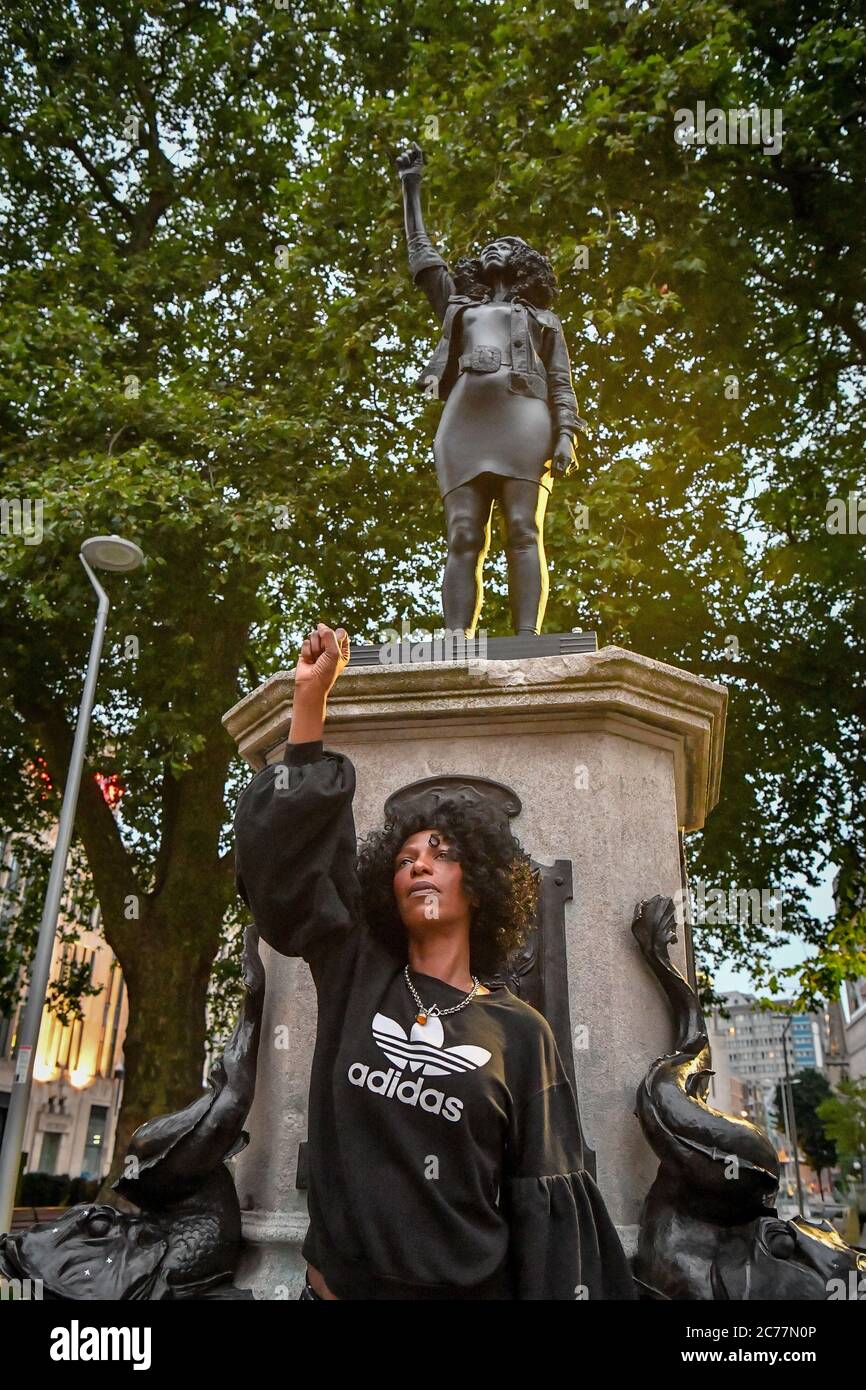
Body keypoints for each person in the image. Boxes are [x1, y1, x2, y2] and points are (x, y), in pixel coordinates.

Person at [233, 622, 635, 1301]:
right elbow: (296, 867)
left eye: (443, 853)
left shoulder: (521, 1032)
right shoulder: (357, 970)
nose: (420, 863)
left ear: (477, 883)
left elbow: (547, 1209)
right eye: (404, 859)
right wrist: (309, 703)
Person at [396, 141, 588, 637]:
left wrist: (566, 435)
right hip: (463, 426)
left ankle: (528, 639)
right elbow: (423, 259)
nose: (493, 246)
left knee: (524, 530)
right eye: (490, 244)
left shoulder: (545, 320)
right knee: (462, 534)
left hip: (525, 422)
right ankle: (455, 641)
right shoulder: (458, 306)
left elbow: (562, 384)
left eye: (507, 243)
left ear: (523, 262)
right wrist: (410, 186)